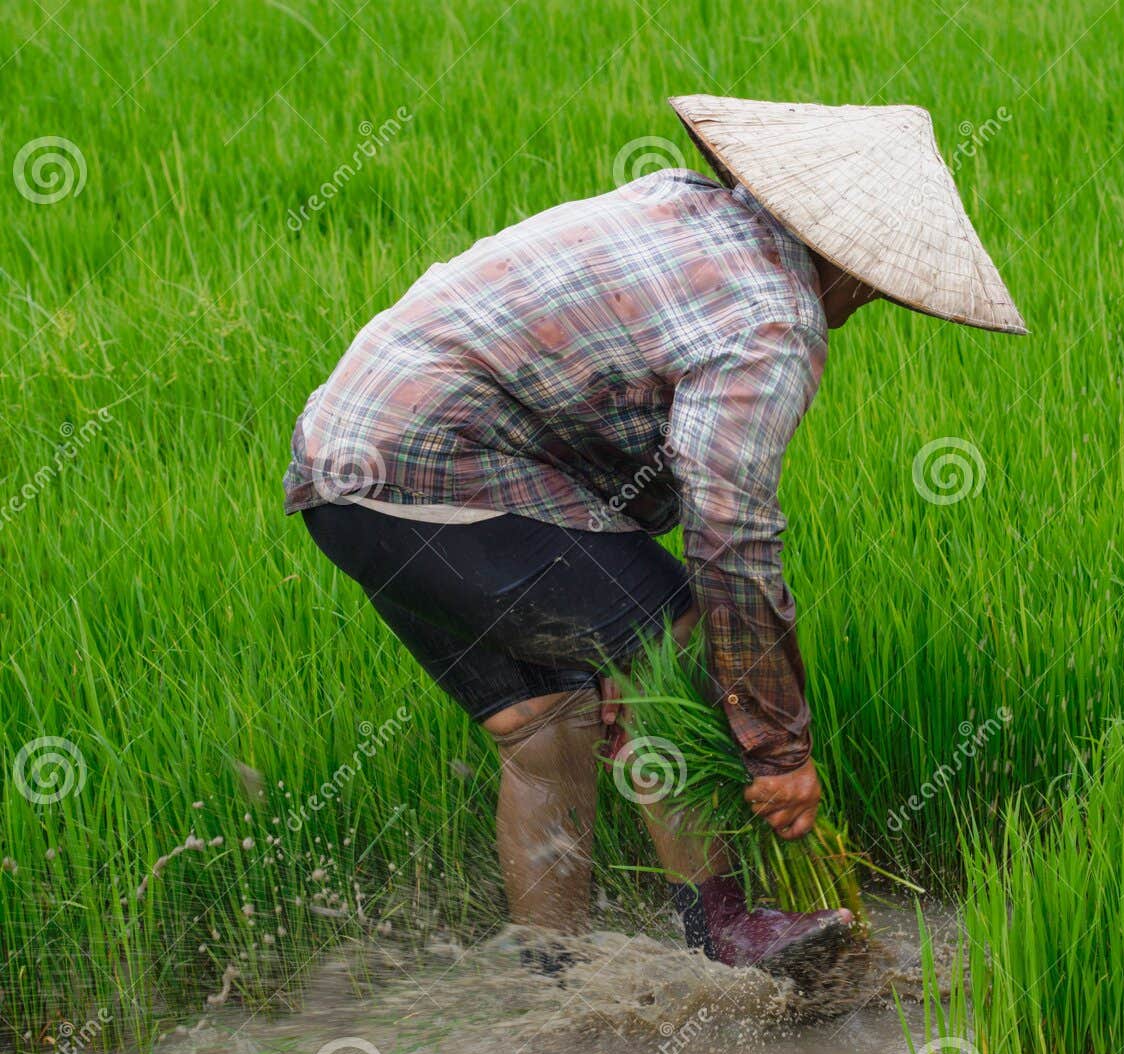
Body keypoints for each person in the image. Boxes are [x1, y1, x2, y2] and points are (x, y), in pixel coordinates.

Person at [282, 94, 1025, 982]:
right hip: (445, 465)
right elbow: (730, 533)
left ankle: (552, 987)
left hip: (342, 471)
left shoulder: (682, 203)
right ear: (858, 269)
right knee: (670, 638)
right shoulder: (775, 323)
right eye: (877, 285)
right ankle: (724, 931)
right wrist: (777, 748)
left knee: (542, 730)